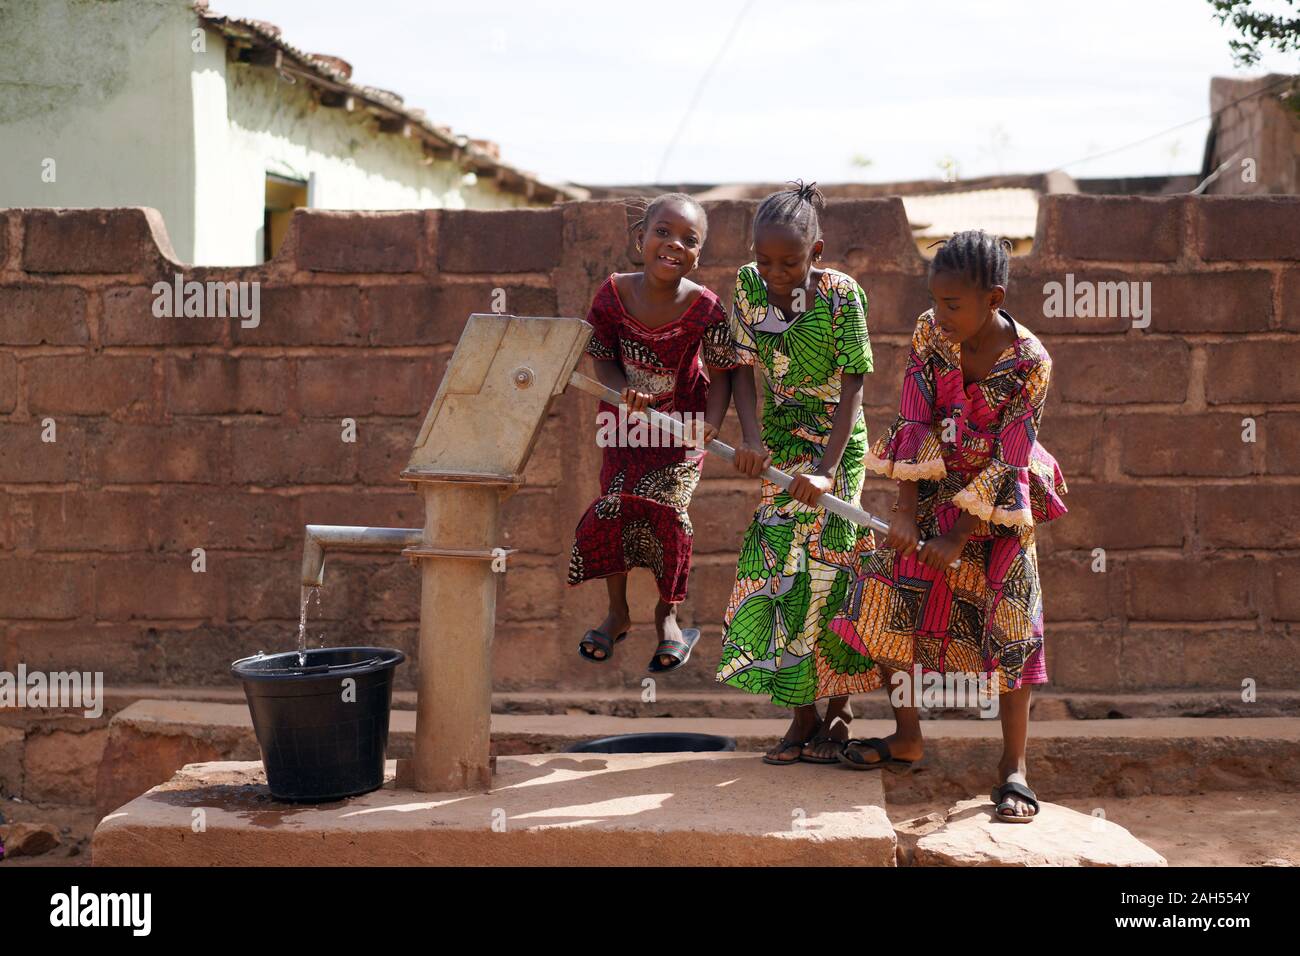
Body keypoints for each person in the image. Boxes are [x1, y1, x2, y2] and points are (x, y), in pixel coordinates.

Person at [829, 229, 1068, 822]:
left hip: (998, 509)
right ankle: (906, 736)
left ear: (994, 297)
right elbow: (914, 418)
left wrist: (958, 536)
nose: (940, 314)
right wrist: (908, 514)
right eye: (935, 300)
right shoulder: (929, 333)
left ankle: (1013, 769)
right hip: (932, 491)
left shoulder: (1030, 364)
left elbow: (1012, 459)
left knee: (1012, 625)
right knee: (881, 594)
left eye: (953, 303)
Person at [716, 181, 883, 765]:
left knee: (829, 572)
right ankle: (800, 715)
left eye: (790, 261)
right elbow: (738, 366)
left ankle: (838, 712)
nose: (775, 271)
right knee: (780, 569)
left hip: (838, 441)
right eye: (765, 259)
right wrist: (751, 438)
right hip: (782, 435)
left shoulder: (842, 295)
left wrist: (830, 471)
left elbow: (854, 386)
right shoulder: (746, 287)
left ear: (817, 251)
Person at [567, 193, 740, 672]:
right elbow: (599, 353)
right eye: (663, 232)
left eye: (689, 240)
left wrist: (711, 424)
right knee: (615, 508)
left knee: (668, 513)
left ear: (698, 255)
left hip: (681, 429)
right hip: (624, 427)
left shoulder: (705, 307)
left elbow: (724, 370)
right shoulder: (611, 294)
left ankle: (668, 616)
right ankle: (618, 612)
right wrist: (625, 393)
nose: (673, 245)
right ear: (640, 238)